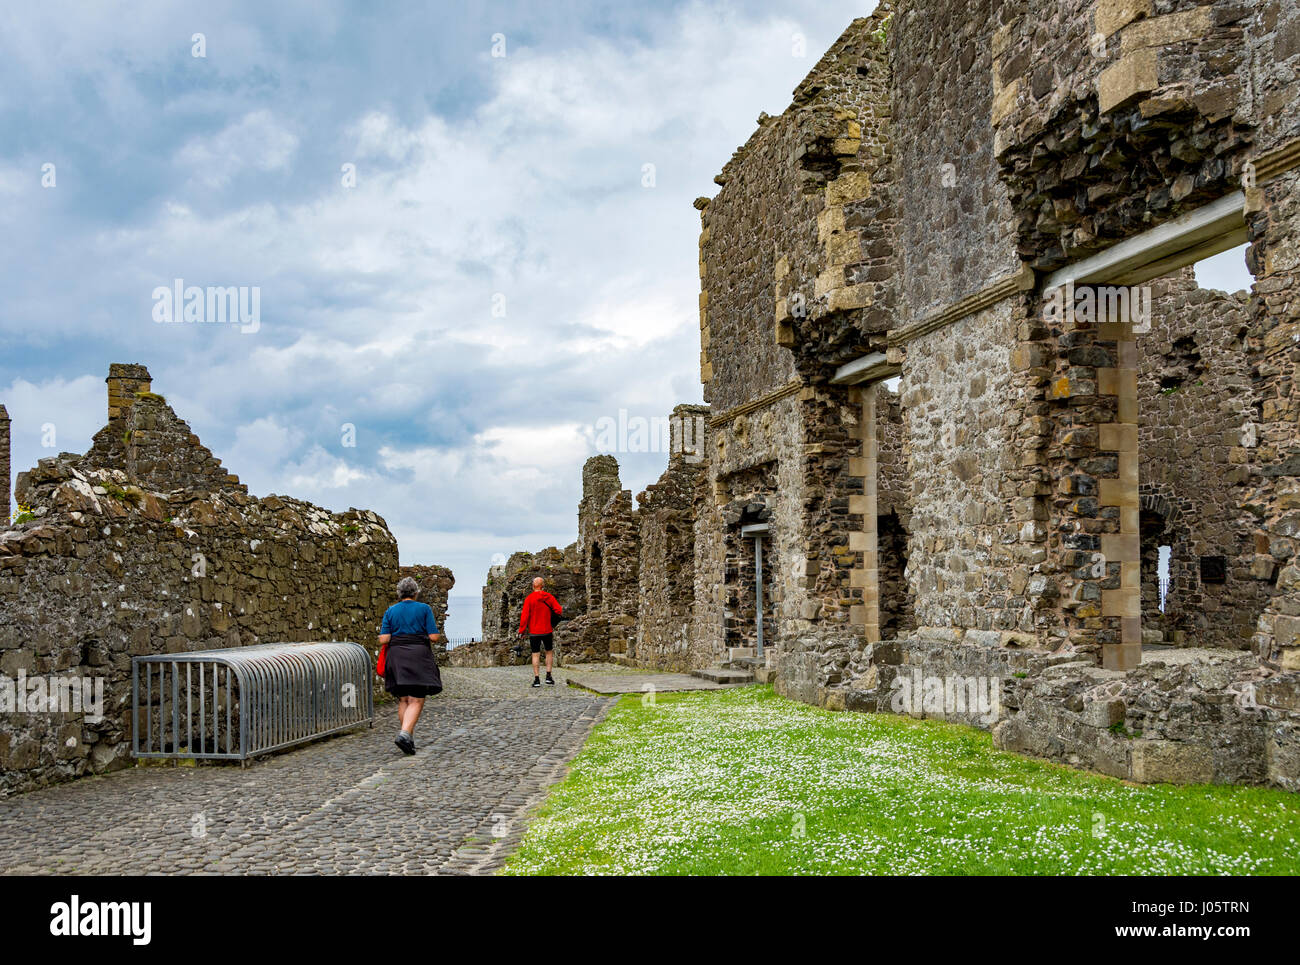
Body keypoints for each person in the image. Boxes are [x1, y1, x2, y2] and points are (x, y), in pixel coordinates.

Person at [378, 576, 443, 754]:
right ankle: (405, 734)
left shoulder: (391, 611)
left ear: (399, 594)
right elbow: (434, 637)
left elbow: (384, 639)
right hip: (417, 656)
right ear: (415, 593)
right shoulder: (423, 609)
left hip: (396, 657)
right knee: (416, 699)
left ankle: (408, 739)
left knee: (404, 699)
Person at [518, 576, 561, 688]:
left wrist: (521, 630)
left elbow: (524, 616)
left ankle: (537, 679)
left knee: (535, 654)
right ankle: (548, 676)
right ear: (543, 586)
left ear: (533, 586)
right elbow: (558, 610)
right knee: (548, 652)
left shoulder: (529, 598)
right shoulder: (549, 597)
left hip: (534, 632)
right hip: (547, 630)